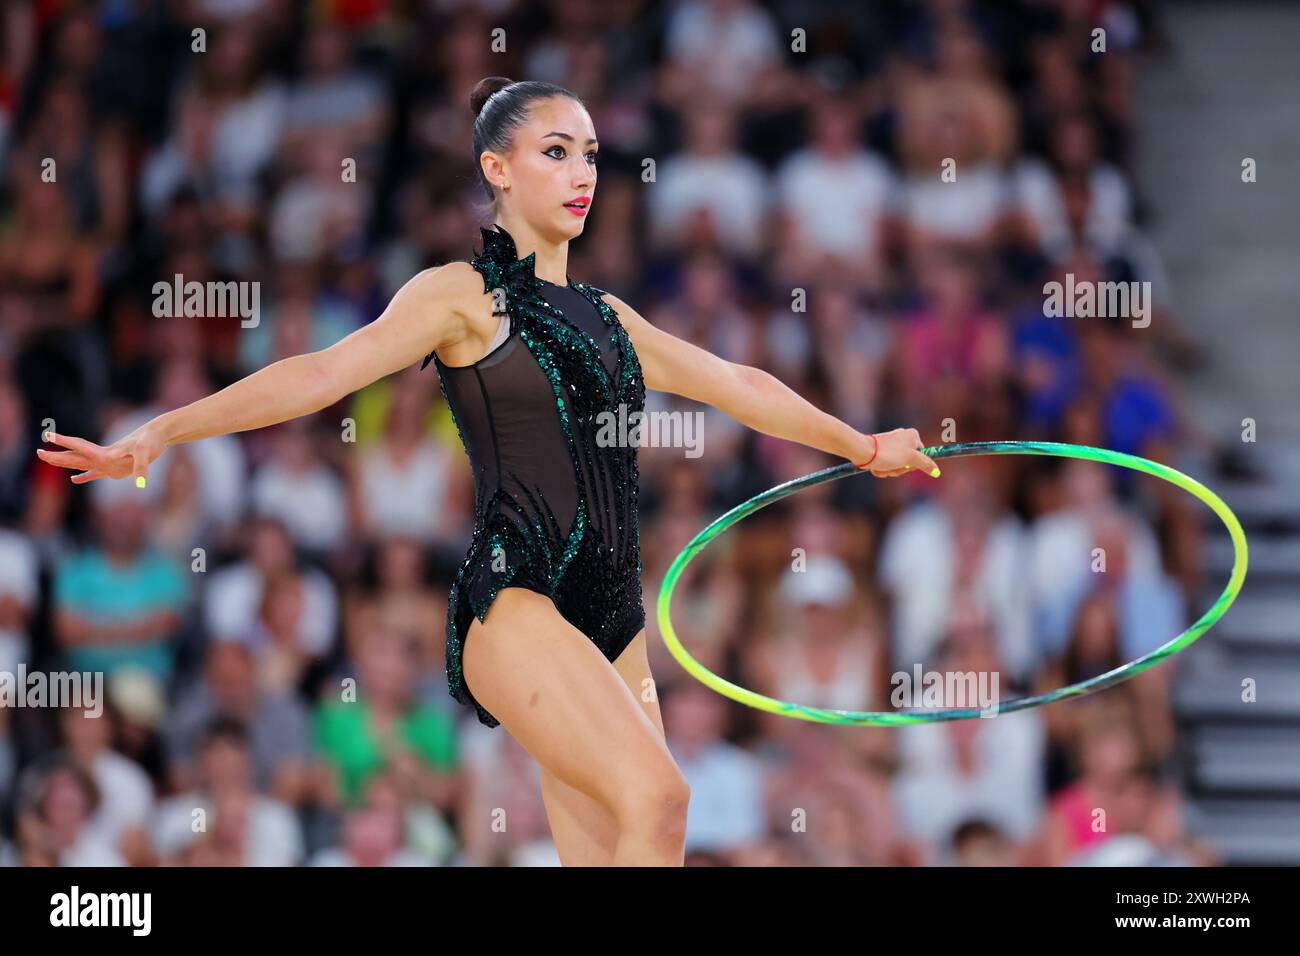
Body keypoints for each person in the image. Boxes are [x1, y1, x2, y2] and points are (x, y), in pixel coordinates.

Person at [35, 77, 939, 866]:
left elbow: (739, 383)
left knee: (631, 841)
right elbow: (319, 375)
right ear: (497, 169)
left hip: (614, 615)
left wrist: (862, 446)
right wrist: (167, 429)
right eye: (556, 152)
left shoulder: (610, 315)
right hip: (518, 597)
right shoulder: (463, 295)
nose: (583, 173)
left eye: (591, 154)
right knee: (662, 797)